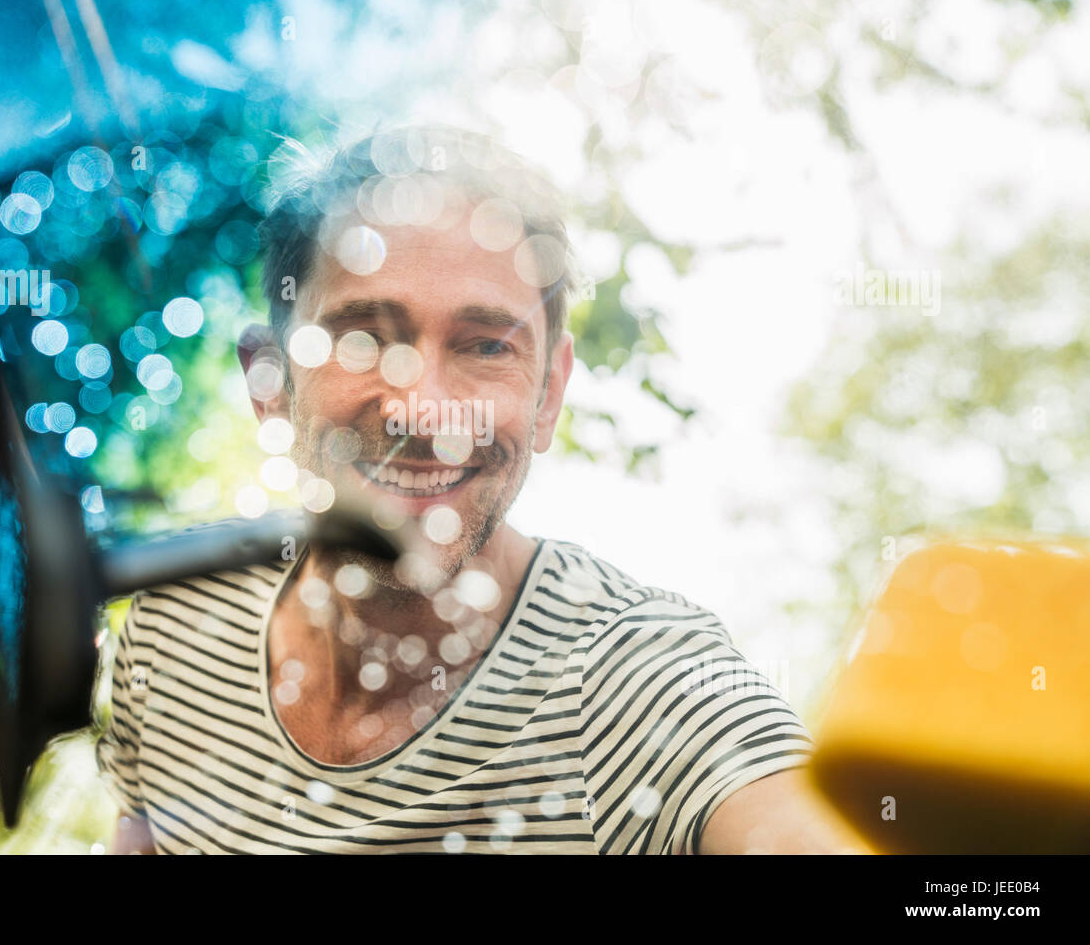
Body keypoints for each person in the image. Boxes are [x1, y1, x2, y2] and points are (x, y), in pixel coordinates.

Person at [96, 124, 862, 854]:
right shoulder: (172, 624)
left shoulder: (638, 680)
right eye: (363, 336)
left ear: (549, 392)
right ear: (270, 381)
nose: (425, 411)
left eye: (487, 345)